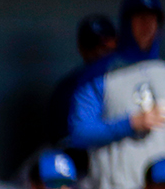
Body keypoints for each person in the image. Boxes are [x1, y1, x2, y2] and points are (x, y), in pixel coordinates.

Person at [69, 0, 165, 189]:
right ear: (125, 22)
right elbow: (79, 132)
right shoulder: (99, 74)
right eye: (139, 18)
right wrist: (130, 124)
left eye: (152, 19)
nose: (146, 25)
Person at [46, 15, 118, 156]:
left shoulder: (131, 80)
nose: (98, 51)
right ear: (81, 47)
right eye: (91, 45)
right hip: (85, 164)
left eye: (104, 45)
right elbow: (63, 142)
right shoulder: (67, 88)